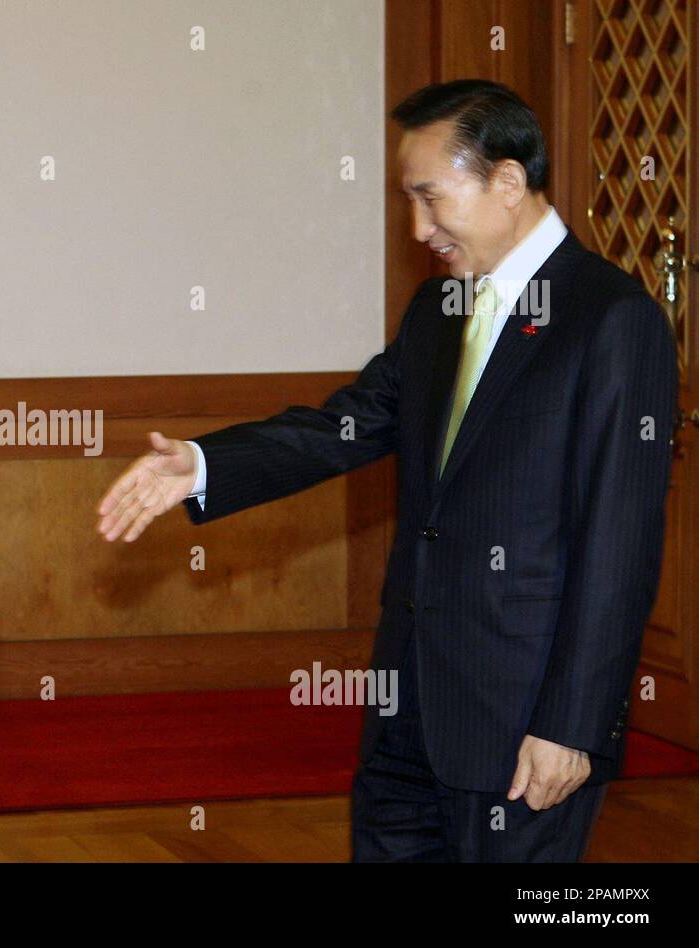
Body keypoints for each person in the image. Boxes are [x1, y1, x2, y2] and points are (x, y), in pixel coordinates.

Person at [96, 79, 676, 862]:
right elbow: (348, 423)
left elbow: (620, 546)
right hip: (407, 709)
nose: (418, 227)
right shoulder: (439, 313)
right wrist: (202, 466)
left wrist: (571, 725)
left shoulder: (612, 319)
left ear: (507, 181)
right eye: (409, 200)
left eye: (432, 198)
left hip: (523, 720)